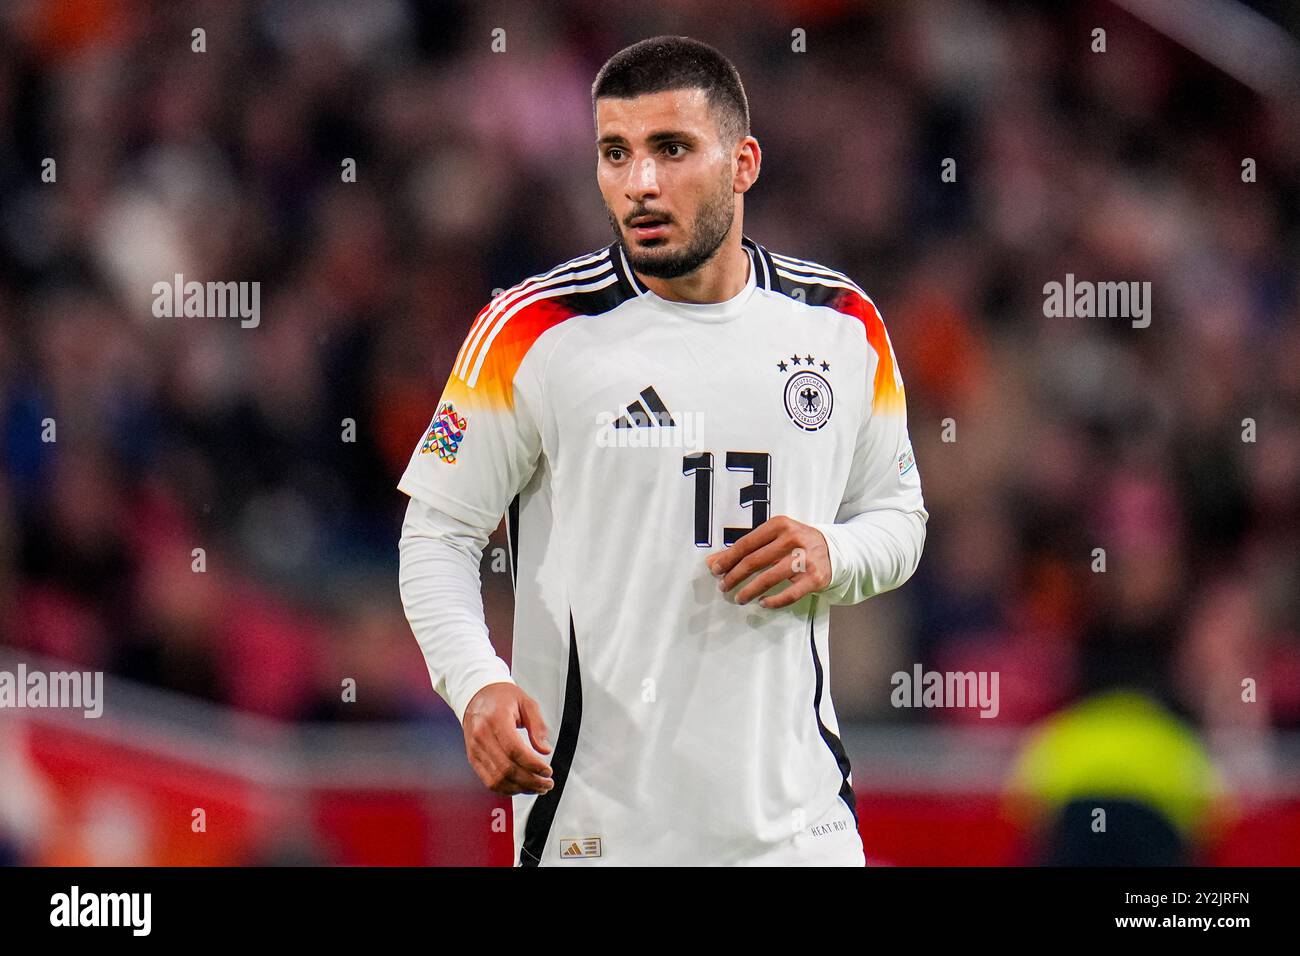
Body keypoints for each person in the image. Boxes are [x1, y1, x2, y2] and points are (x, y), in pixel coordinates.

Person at [397, 35, 927, 866]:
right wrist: (477, 683)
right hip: (602, 835)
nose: (639, 183)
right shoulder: (532, 330)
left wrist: (836, 550)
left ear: (742, 162)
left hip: (800, 833)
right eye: (616, 153)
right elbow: (438, 534)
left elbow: (899, 516)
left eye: (670, 149)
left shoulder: (841, 322)